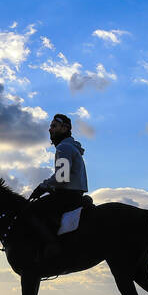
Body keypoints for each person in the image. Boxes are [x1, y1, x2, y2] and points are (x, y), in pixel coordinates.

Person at [26, 113, 88, 263]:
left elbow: (61, 177)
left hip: (67, 196)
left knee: (30, 211)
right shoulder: (70, 146)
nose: (50, 129)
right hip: (73, 194)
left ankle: (52, 245)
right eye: (50, 126)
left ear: (65, 128)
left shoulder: (64, 147)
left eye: (54, 126)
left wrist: (43, 185)